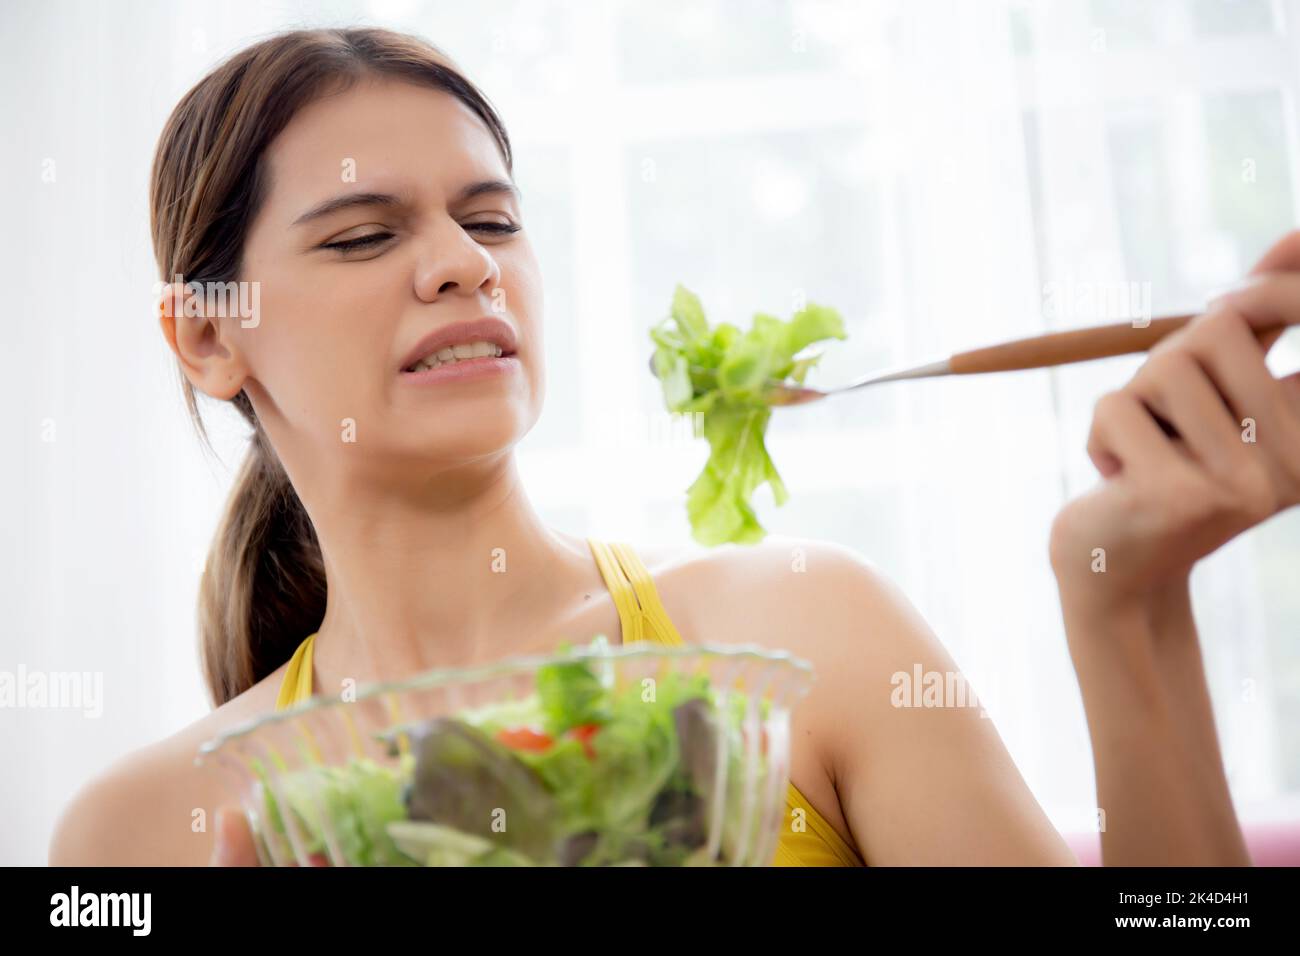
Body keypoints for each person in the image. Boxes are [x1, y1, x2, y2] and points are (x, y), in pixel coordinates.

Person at [49, 27, 1299, 868]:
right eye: (364, 237)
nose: (465, 262)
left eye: (491, 218)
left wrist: (1130, 609)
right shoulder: (135, 834)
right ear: (210, 337)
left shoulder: (811, 631)